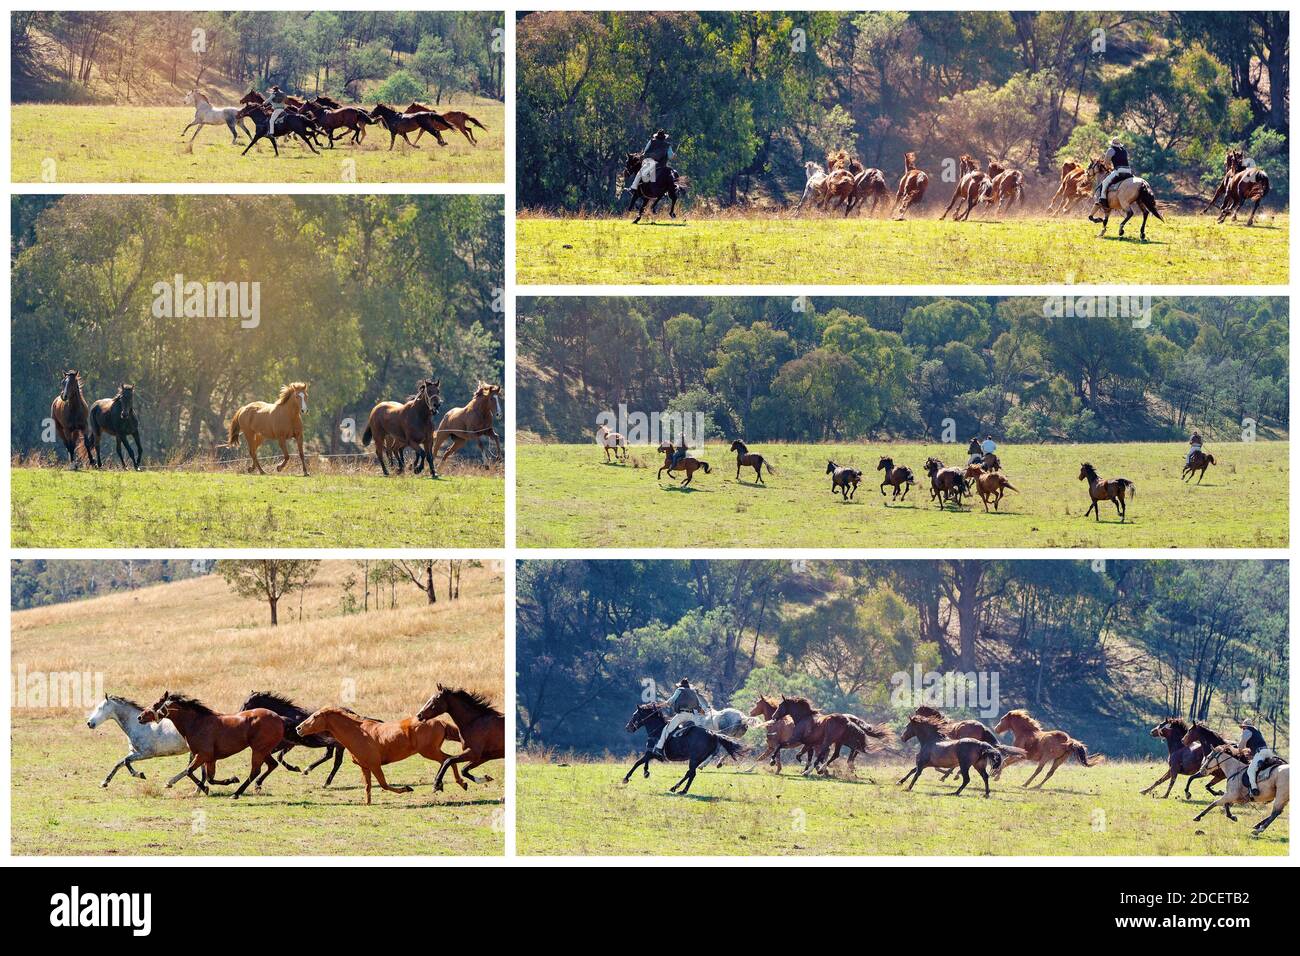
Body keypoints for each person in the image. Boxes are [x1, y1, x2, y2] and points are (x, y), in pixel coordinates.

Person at [650, 678, 705, 759]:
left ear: (681, 685)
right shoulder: (693, 692)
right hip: (692, 716)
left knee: (666, 729)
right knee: (701, 732)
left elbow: (670, 701)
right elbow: (699, 708)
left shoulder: (679, 690)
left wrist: (659, 705)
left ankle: (659, 748)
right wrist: (704, 712)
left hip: (682, 715)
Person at [1240, 723, 1280, 798]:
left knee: (1250, 771)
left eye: (1243, 728)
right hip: (1267, 752)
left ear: (1245, 727)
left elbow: (1241, 746)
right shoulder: (1257, 732)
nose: (1242, 729)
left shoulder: (1247, 731)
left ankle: (1254, 789)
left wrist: (1239, 750)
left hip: (1260, 753)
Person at [629, 130, 675, 194]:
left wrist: (642, 156)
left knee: (640, 173)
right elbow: (670, 157)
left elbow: (645, 151)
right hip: (661, 165)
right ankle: (665, 193)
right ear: (664, 138)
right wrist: (674, 156)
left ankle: (633, 188)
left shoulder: (651, 141)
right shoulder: (668, 145)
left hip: (650, 162)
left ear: (656, 136)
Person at [1094, 137, 1133, 206]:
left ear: (1112, 144)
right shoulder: (1124, 150)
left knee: (1104, 183)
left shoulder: (1111, 150)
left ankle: (1102, 200)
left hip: (1119, 171)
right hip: (1129, 171)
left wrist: (1110, 167)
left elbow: (1106, 163)